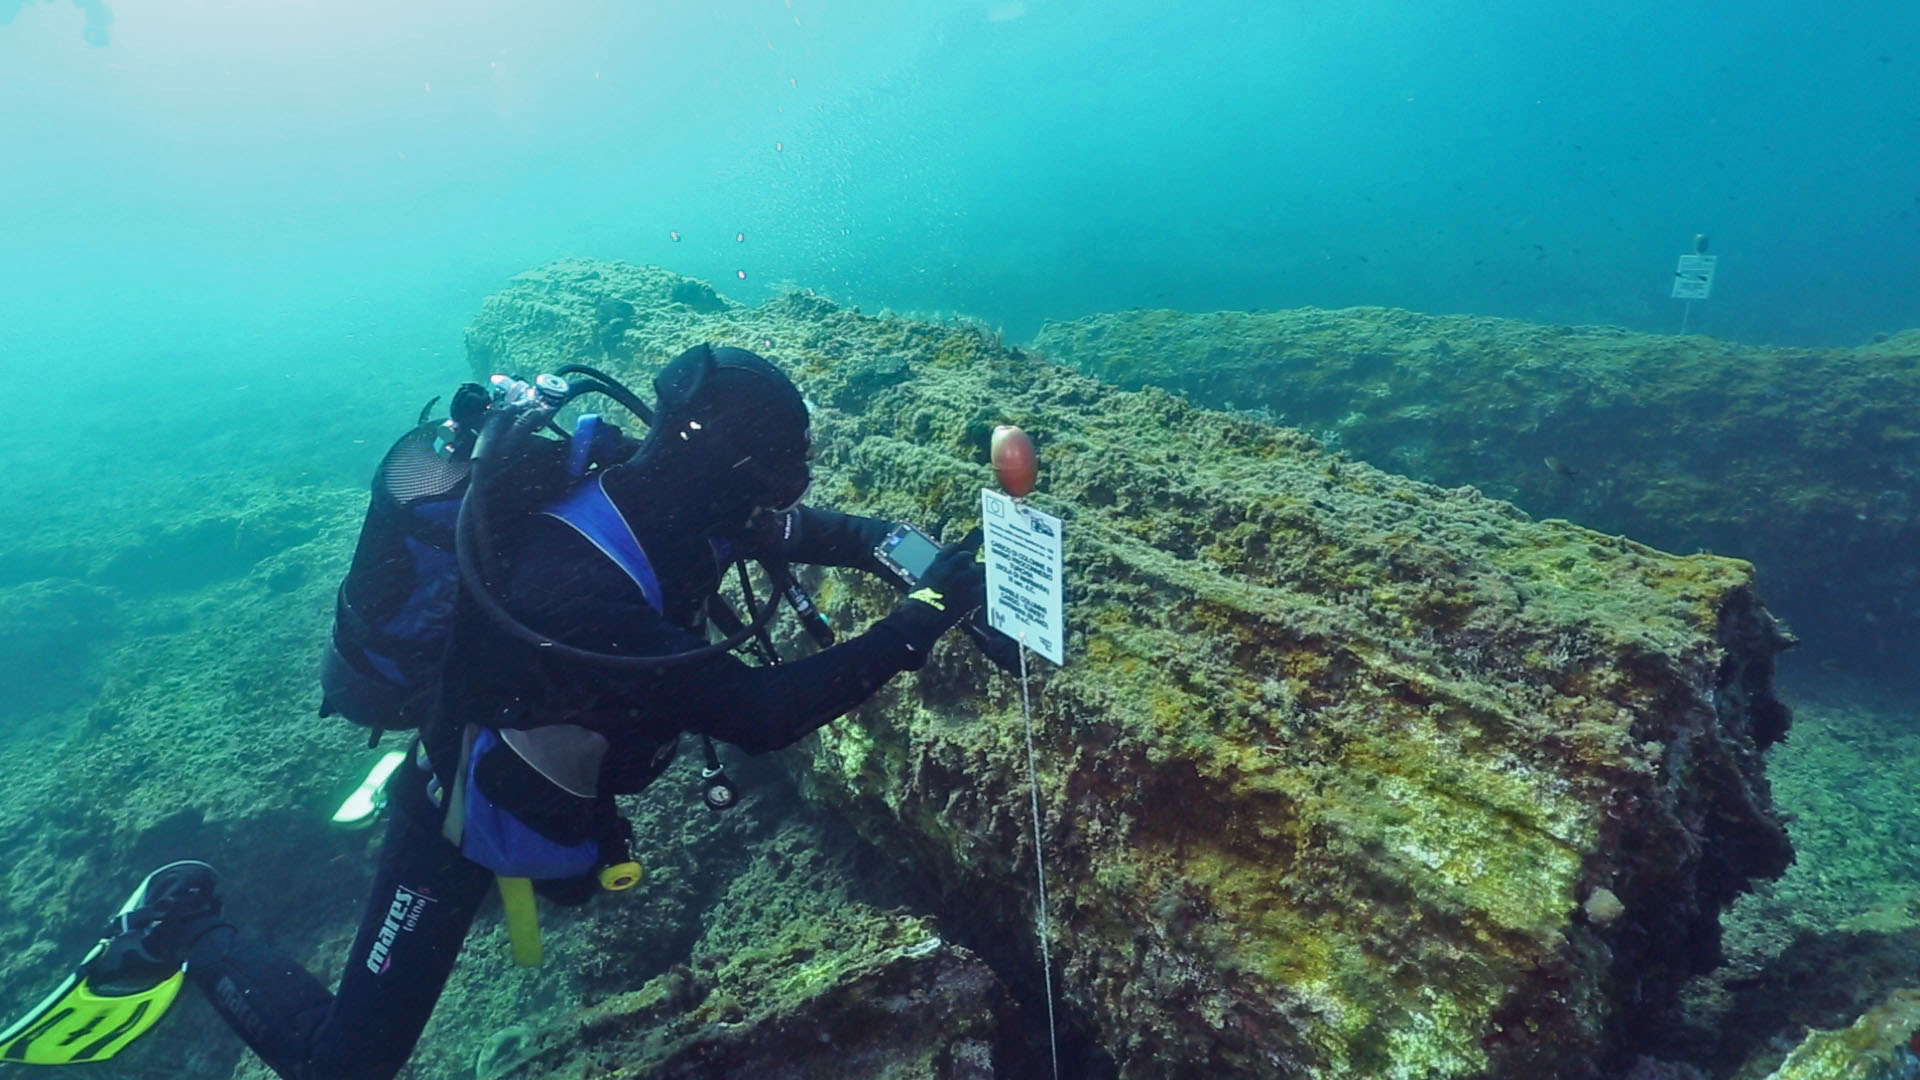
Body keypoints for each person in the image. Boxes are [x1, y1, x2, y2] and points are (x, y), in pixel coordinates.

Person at [4, 345, 995, 1078]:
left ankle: (528, 832)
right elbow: (762, 708)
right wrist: (924, 616)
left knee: (563, 875)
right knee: (346, 1067)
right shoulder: (579, 584)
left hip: (559, 759)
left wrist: (905, 553)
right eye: (782, 463)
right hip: (457, 814)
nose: (793, 486)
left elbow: (803, 530)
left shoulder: (683, 499)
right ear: (727, 461)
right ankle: (183, 924)